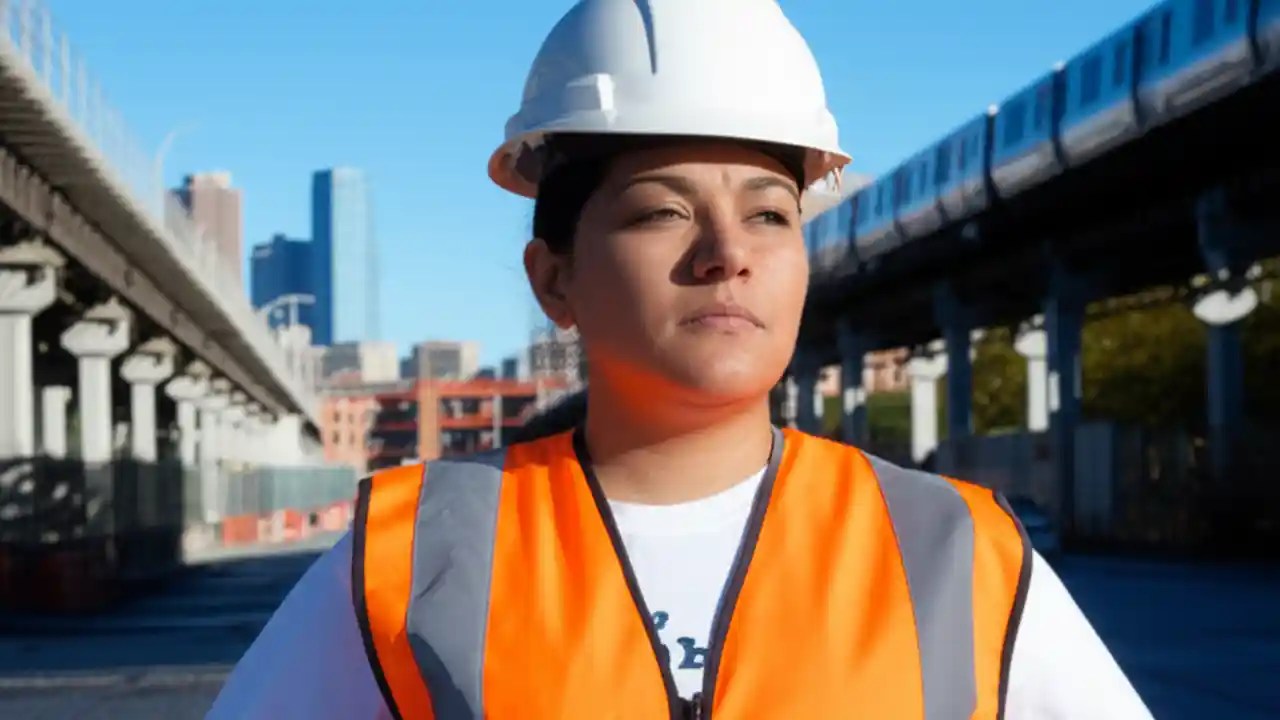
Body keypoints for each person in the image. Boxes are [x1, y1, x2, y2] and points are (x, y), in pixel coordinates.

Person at [208, 1, 1154, 718]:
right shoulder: (406, 559)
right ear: (555, 281)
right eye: (662, 209)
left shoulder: (959, 553)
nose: (726, 252)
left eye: (769, 215)